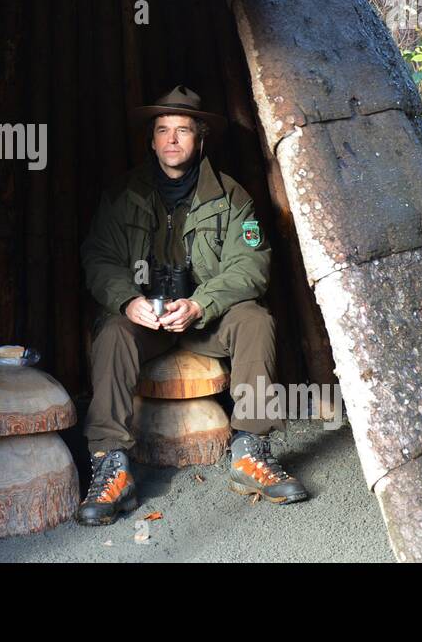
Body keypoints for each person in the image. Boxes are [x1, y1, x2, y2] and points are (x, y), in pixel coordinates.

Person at [76, 85, 309, 526]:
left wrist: (201, 304)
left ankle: (251, 450)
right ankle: (111, 465)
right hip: (146, 319)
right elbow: (99, 257)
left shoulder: (232, 196)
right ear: (151, 139)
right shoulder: (123, 193)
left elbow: (251, 266)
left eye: (182, 130)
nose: (171, 140)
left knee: (255, 319)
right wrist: (128, 301)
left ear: (200, 139)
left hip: (207, 320)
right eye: (162, 130)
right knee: (110, 332)